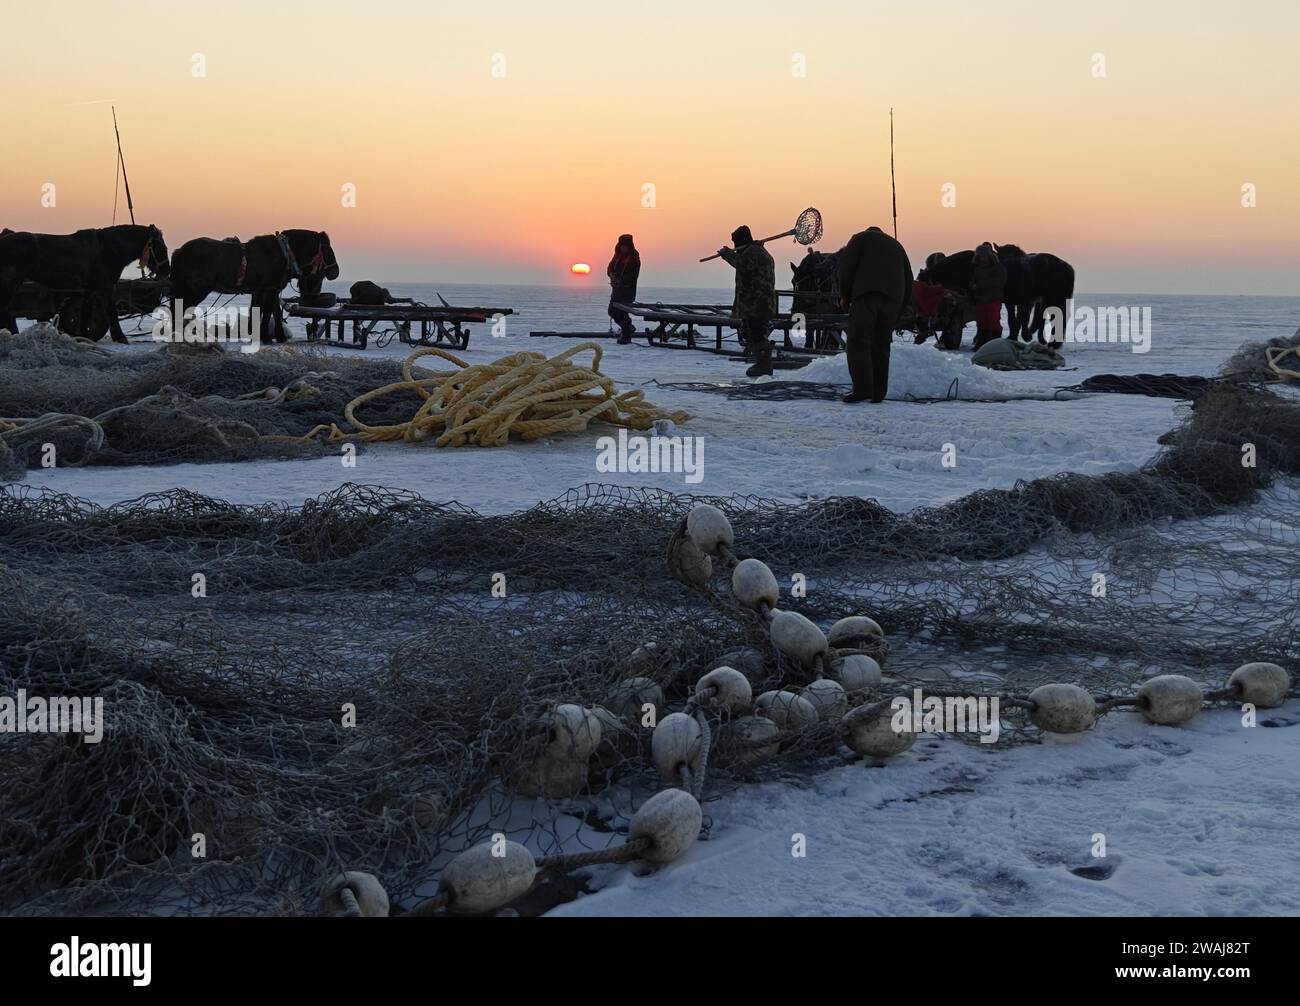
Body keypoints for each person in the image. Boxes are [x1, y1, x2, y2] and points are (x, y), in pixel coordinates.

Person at [836, 226, 913, 403]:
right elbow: (908, 278)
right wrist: (901, 308)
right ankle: (879, 392)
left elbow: (846, 267)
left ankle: (863, 390)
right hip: (892, 302)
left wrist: (844, 295)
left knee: (858, 342)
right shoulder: (897, 245)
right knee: (882, 345)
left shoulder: (860, 239)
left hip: (866, 296)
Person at [718, 225, 776, 377]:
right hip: (755, 303)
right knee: (751, 332)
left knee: (757, 333)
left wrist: (727, 254)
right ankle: (761, 362)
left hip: (757, 303)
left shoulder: (753, 253)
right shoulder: (755, 251)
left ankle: (764, 366)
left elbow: (742, 265)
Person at [970, 241, 1006, 349]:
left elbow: (1000, 281)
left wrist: (981, 285)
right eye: (981, 256)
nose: (983, 258)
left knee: (994, 322)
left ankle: (995, 344)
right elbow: (973, 280)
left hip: (993, 299)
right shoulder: (976, 268)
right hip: (980, 300)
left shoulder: (998, 268)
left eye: (985, 256)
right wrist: (973, 285)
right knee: (981, 323)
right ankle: (981, 343)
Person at [606, 234, 640, 344]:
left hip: (627, 291)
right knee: (612, 311)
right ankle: (628, 328)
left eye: (625, 246)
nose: (622, 248)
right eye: (621, 245)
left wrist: (621, 280)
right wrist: (612, 274)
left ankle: (626, 336)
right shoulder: (617, 256)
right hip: (616, 291)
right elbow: (610, 267)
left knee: (622, 313)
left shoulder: (634, 257)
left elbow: (633, 275)